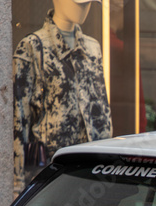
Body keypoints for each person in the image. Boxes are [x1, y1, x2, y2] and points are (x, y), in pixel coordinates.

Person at [13, 0, 112, 195]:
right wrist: (18, 184)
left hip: (91, 173)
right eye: (78, 2)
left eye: (88, 3)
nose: (84, 7)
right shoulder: (33, 47)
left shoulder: (93, 48)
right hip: (50, 176)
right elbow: (19, 120)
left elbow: (102, 115)